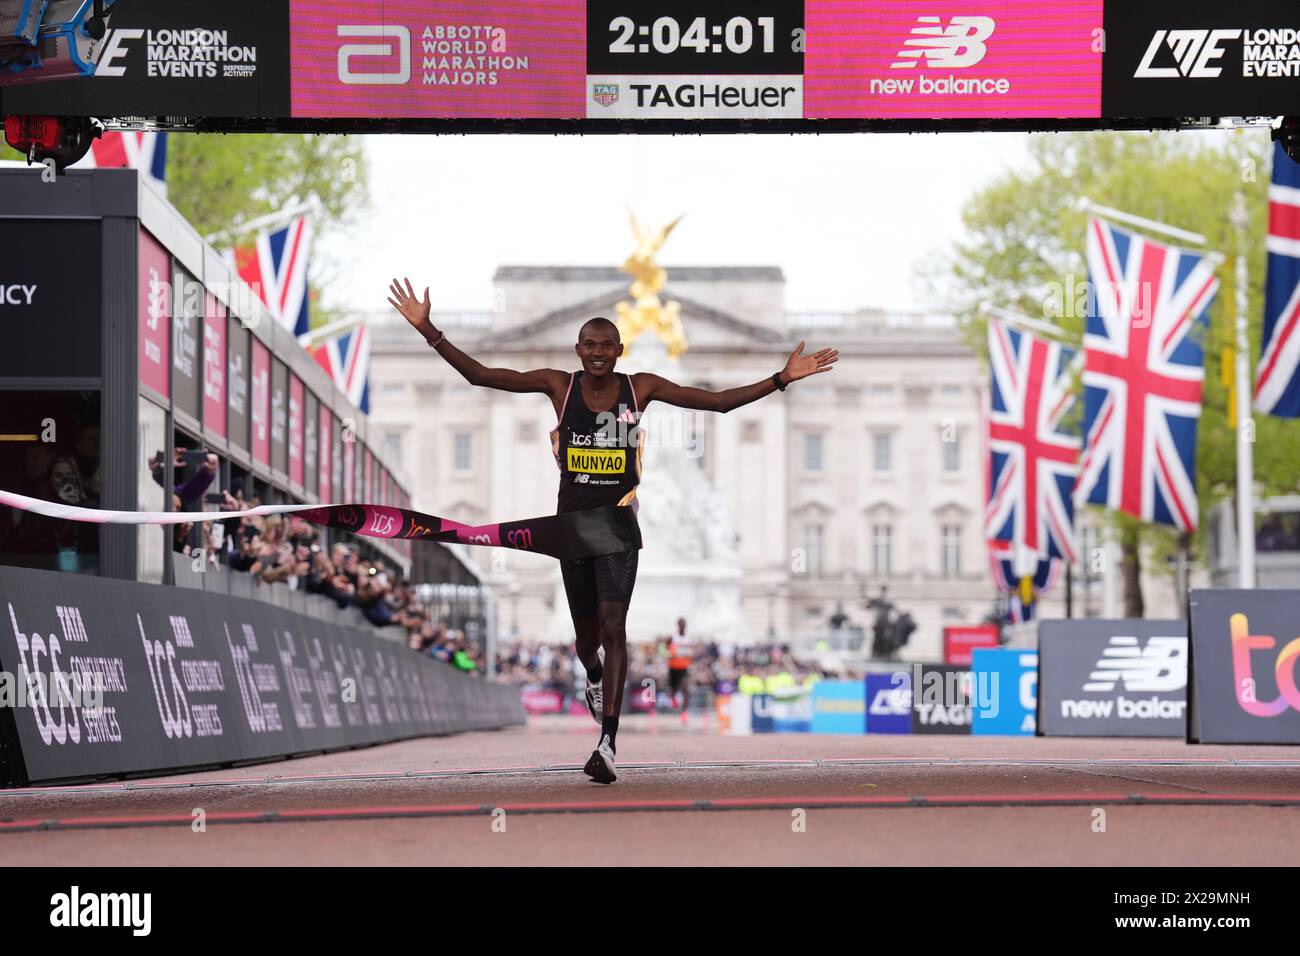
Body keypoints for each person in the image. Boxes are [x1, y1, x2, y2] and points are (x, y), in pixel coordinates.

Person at [388, 277, 838, 783]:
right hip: (571, 530)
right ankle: (594, 676)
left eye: (607, 345)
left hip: (619, 527)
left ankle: (608, 742)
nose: (599, 352)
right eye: (590, 344)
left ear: (619, 350)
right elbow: (482, 376)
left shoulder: (639, 387)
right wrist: (430, 332)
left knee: (613, 626)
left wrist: (780, 379)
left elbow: (716, 402)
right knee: (585, 643)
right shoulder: (558, 386)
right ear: (578, 349)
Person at [667, 616, 694, 722]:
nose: (683, 627)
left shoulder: (689, 638)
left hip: (684, 668)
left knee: (686, 689)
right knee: (673, 690)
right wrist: (669, 654)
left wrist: (690, 654)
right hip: (673, 667)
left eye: (684, 625)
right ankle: (673, 698)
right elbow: (663, 648)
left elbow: (692, 651)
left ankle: (683, 713)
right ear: (678, 626)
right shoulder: (672, 637)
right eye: (681, 625)